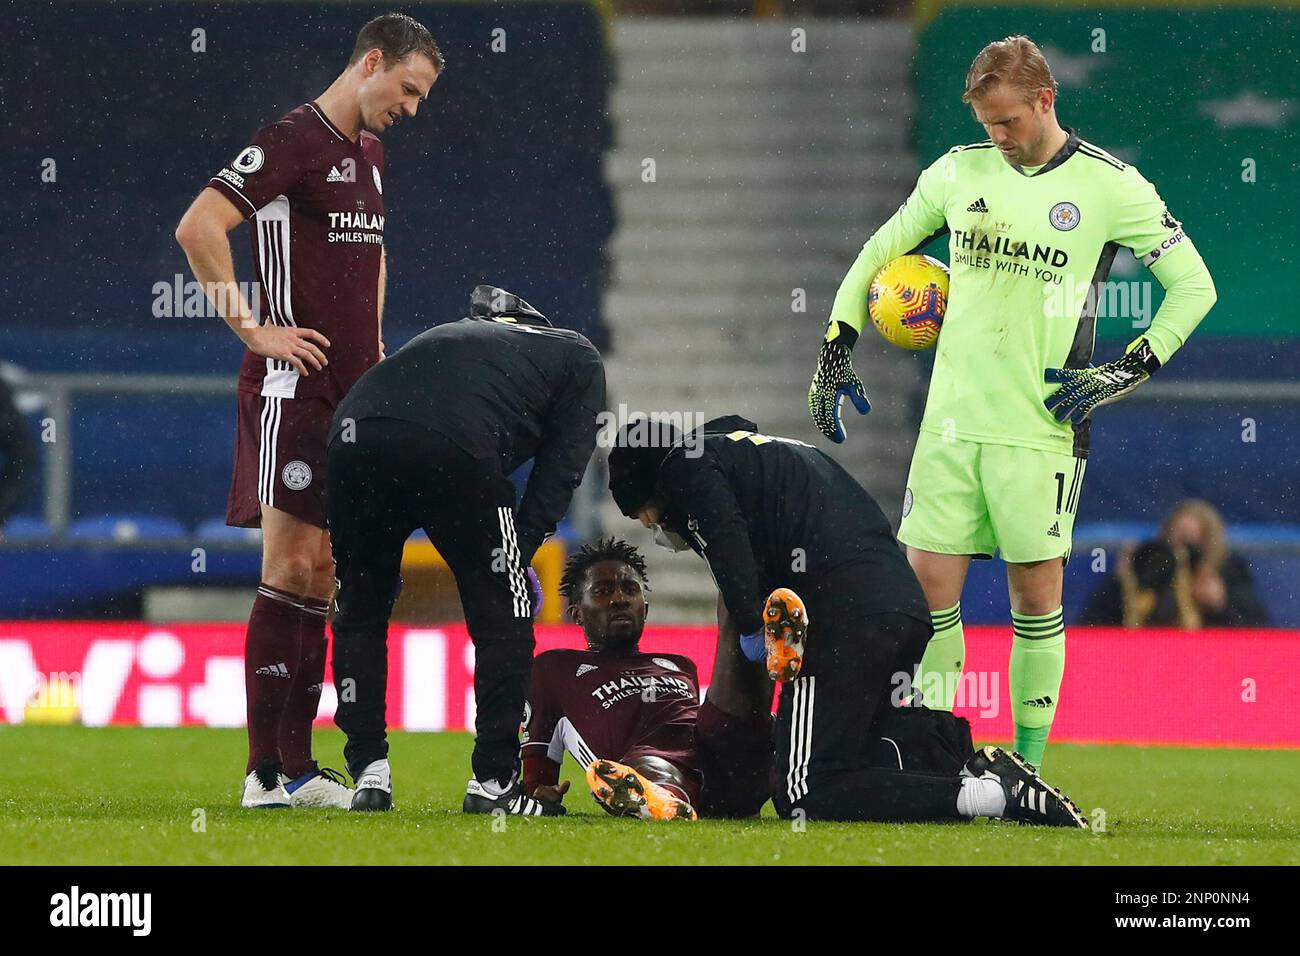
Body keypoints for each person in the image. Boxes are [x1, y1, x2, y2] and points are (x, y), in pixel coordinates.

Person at [807, 35, 1217, 769]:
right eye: (987, 125)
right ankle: (927, 759)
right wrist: (838, 345)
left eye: (1009, 123)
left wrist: (1129, 367)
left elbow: (1195, 287)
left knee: (1035, 600)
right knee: (925, 601)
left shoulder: (1111, 186)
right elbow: (875, 254)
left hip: (1040, 429)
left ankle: (1027, 764)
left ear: (1044, 100)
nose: (998, 138)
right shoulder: (958, 172)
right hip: (951, 426)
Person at [175, 13, 443, 809]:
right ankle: (263, 773)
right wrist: (252, 327)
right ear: (371, 63)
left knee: (324, 574)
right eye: (409, 89)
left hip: (354, 391)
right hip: (296, 389)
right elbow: (199, 225)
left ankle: (295, 769)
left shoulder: (371, 154)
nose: (412, 108)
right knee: (289, 565)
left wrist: (380, 343)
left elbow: (376, 252)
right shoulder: (294, 137)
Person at [607, 414, 1087, 826]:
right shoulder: (752, 449)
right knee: (869, 744)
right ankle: (965, 763)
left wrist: (754, 631)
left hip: (842, 615)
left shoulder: (684, 470)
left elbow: (727, 545)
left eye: (648, 516)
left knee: (803, 790)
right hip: (900, 604)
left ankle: (991, 796)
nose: (654, 527)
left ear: (650, 484)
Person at [327, 286, 605, 815]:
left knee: (360, 609)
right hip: (452, 444)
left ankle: (368, 774)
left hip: (351, 436)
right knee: (505, 611)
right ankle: (494, 782)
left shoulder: (449, 336)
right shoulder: (576, 353)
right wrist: (516, 556)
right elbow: (561, 471)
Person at [522, 538, 773, 821]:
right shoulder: (554, 668)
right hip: (657, 768)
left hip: (728, 760)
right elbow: (537, 776)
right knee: (649, 763)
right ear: (577, 614)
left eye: (630, 590)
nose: (620, 599)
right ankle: (659, 799)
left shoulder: (680, 664)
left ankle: (771, 617)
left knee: (735, 609)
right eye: (603, 591)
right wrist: (539, 793)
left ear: (646, 609)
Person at [1082, 500, 1269, 628]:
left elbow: (1259, 634)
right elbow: (1092, 626)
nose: (1183, 554)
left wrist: (1221, 606)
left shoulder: (1227, 571)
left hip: (1209, 659)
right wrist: (1121, 585)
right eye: (1176, 540)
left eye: (1192, 544)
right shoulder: (1151, 568)